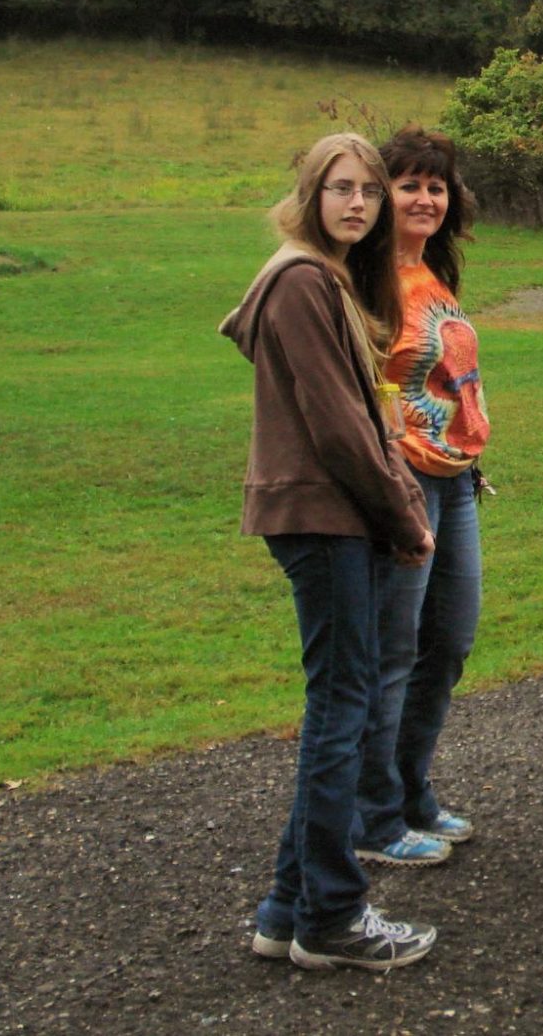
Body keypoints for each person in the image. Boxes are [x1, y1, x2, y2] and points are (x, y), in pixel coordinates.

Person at [221, 133, 438, 972]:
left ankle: (287, 910)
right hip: (324, 515)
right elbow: (341, 429)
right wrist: (403, 517)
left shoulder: (330, 281)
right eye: (341, 189)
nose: (358, 205)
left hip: (332, 514)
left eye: (369, 193)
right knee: (341, 714)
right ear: (310, 195)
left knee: (337, 708)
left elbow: (364, 417)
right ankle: (334, 919)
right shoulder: (304, 281)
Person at [354, 126, 491, 868]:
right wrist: (388, 472)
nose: (425, 198)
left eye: (436, 186)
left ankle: (410, 790)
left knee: (449, 644)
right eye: (409, 184)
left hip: (455, 481)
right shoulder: (363, 281)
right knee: (393, 651)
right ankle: (372, 818)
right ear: (382, 194)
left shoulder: (434, 275)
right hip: (402, 483)